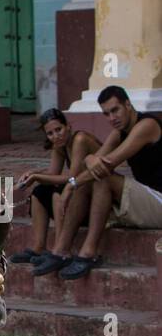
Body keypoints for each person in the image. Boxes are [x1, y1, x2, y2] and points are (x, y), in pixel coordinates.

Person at [33, 86, 162, 279]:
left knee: (101, 177)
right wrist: (88, 162)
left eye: (115, 110)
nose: (112, 118)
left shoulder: (147, 125)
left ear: (128, 104)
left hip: (159, 200)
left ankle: (89, 252)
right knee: (90, 178)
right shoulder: (118, 133)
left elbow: (109, 162)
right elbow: (96, 162)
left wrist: (72, 183)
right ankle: (61, 250)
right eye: (106, 114)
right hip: (147, 197)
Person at [11, 108, 101, 264]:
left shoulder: (80, 139)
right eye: (50, 133)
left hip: (92, 198)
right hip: (75, 191)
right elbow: (53, 174)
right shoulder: (59, 145)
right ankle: (39, 247)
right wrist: (34, 173)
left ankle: (60, 250)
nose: (55, 136)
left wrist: (38, 176)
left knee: (56, 194)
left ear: (68, 127)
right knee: (39, 192)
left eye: (59, 130)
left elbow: (72, 177)